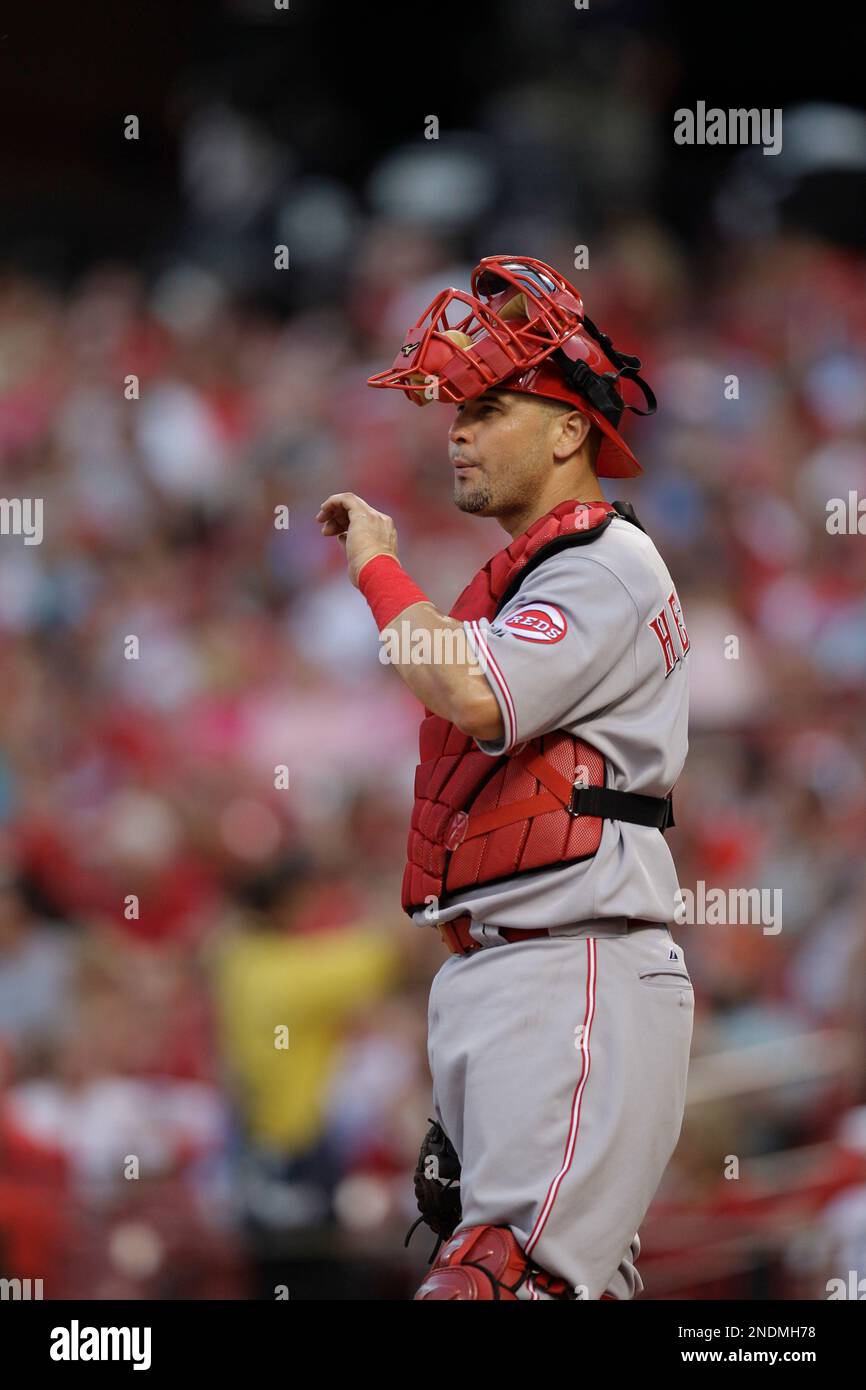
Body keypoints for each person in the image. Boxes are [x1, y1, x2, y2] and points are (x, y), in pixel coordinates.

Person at [317, 257, 694, 1300]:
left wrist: (378, 567)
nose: (457, 431)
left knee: (502, 1281)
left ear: (569, 430)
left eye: (486, 408)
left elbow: (472, 692)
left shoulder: (605, 561)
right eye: (455, 413)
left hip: (573, 967)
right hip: (506, 973)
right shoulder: (540, 572)